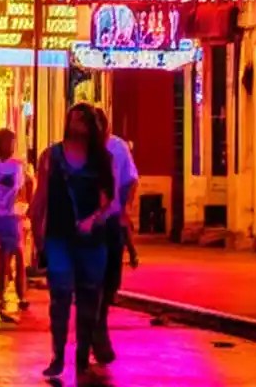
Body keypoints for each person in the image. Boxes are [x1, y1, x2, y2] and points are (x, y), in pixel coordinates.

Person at [31, 103, 115, 378]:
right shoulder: (51, 157)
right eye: (74, 118)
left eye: (83, 119)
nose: (78, 123)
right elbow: (40, 196)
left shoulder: (102, 158)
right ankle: (58, 355)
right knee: (61, 295)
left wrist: (94, 218)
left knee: (90, 297)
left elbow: (108, 196)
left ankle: (81, 356)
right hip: (59, 237)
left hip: (92, 239)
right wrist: (37, 231)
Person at [91, 106, 138, 365]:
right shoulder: (82, 149)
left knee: (110, 281)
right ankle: (97, 333)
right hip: (88, 224)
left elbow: (130, 180)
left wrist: (126, 210)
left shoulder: (118, 148)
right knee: (92, 280)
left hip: (111, 222)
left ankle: (99, 323)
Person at [0, 128, 31, 313]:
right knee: (0, 257)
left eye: (13, 142)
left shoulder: (17, 165)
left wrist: (25, 207)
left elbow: (27, 185)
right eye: (8, 142)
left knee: (18, 254)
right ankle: (0, 293)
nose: (11, 146)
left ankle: (21, 295)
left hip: (12, 215)